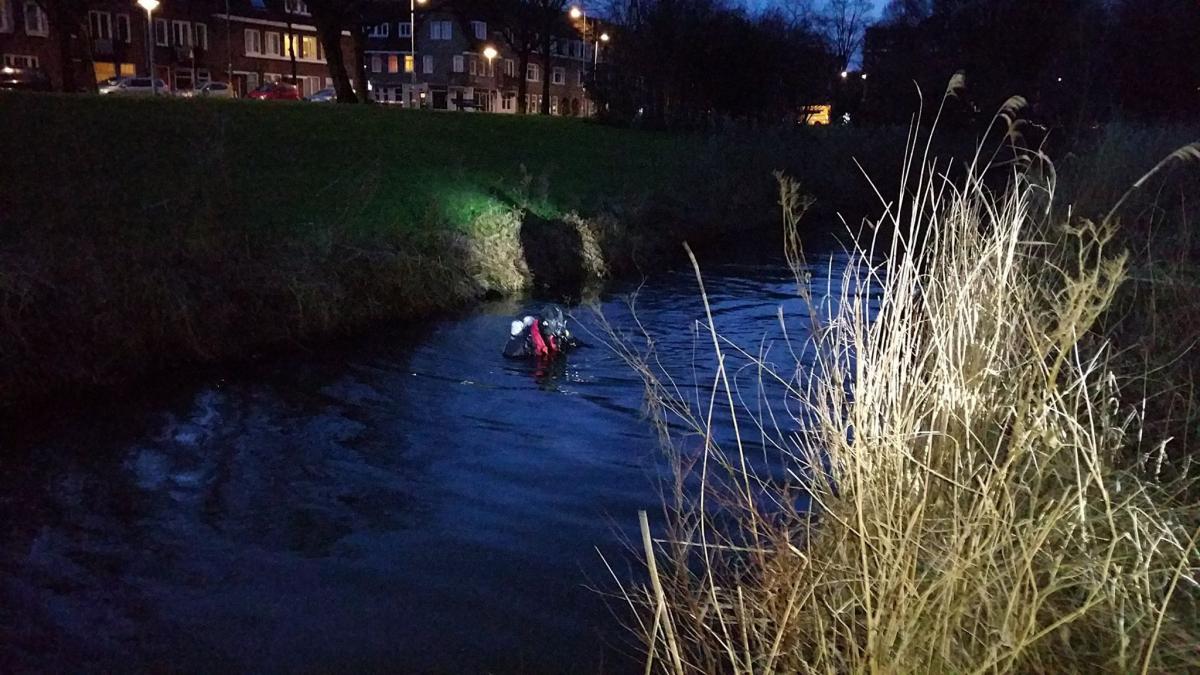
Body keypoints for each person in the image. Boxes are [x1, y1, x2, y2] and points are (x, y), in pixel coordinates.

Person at [503, 306, 579, 359]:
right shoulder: (521, 348)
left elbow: (579, 344)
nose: (556, 339)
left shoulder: (562, 335)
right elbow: (509, 356)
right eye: (551, 336)